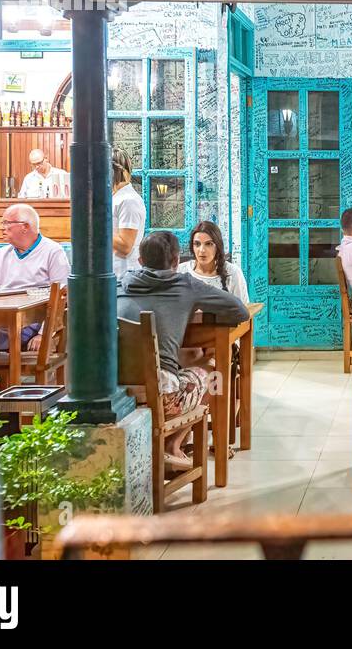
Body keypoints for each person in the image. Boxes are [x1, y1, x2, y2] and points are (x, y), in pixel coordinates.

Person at [118, 231, 249, 471]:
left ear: (140, 260)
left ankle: (172, 443)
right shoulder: (184, 284)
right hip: (163, 400)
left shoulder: (120, 284)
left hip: (118, 396)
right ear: (177, 261)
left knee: (186, 362)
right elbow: (240, 311)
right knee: (214, 371)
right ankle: (172, 444)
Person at [0, 203, 70, 357]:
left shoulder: (53, 251)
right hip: (1, 318)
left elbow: (63, 295)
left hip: (32, 323)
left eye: (6, 223)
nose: (1, 227)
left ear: (25, 226)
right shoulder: (2, 254)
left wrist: (44, 334)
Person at [178, 221, 249, 303]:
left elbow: (246, 312)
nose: (202, 250)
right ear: (192, 246)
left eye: (208, 244)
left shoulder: (233, 272)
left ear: (217, 246)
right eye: (197, 244)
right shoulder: (180, 271)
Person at [111, 147, 145, 282]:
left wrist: (96, 229)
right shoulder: (116, 197)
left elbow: (125, 246)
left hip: (123, 276)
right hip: (114, 273)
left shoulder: (128, 200)